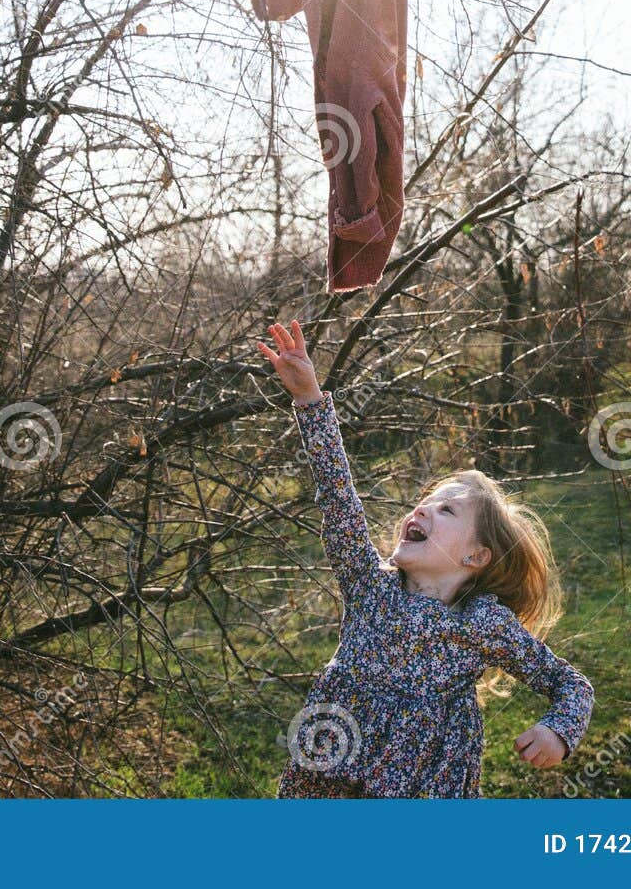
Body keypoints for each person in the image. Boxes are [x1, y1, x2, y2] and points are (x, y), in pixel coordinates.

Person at [255, 319, 595, 797]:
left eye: (447, 509)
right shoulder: (370, 588)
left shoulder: (482, 624)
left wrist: (558, 731)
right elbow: (337, 496)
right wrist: (310, 399)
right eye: (427, 501)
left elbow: (571, 685)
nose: (422, 508)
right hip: (325, 783)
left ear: (476, 555)